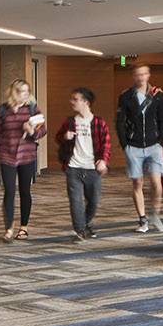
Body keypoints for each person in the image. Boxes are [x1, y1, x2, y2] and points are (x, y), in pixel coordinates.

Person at [0, 78, 45, 241]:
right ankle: (8, 229)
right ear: (14, 93)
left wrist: (32, 131)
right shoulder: (3, 111)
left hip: (27, 156)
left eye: (27, 91)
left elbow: (43, 131)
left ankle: (23, 228)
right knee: (9, 192)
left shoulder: (33, 109)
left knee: (25, 191)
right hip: (7, 155)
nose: (25, 94)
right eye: (22, 91)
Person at [117, 63, 163, 233]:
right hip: (133, 146)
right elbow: (120, 121)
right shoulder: (126, 96)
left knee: (155, 181)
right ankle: (142, 219)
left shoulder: (158, 95)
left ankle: (155, 214)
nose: (140, 77)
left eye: (144, 74)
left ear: (148, 75)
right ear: (134, 77)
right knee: (137, 182)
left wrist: (161, 142)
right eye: (137, 74)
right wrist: (125, 144)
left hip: (154, 145)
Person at [58, 86, 111, 240]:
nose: (71, 102)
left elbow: (106, 144)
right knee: (76, 202)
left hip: (93, 169)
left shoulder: (99, 122)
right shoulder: (69, 121)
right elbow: (58, 138)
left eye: (75, 99)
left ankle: (86, 223)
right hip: (73, 167)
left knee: (93, 202)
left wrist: (103, 160)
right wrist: (65, 136)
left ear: (86, 102)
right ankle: (80, 230)